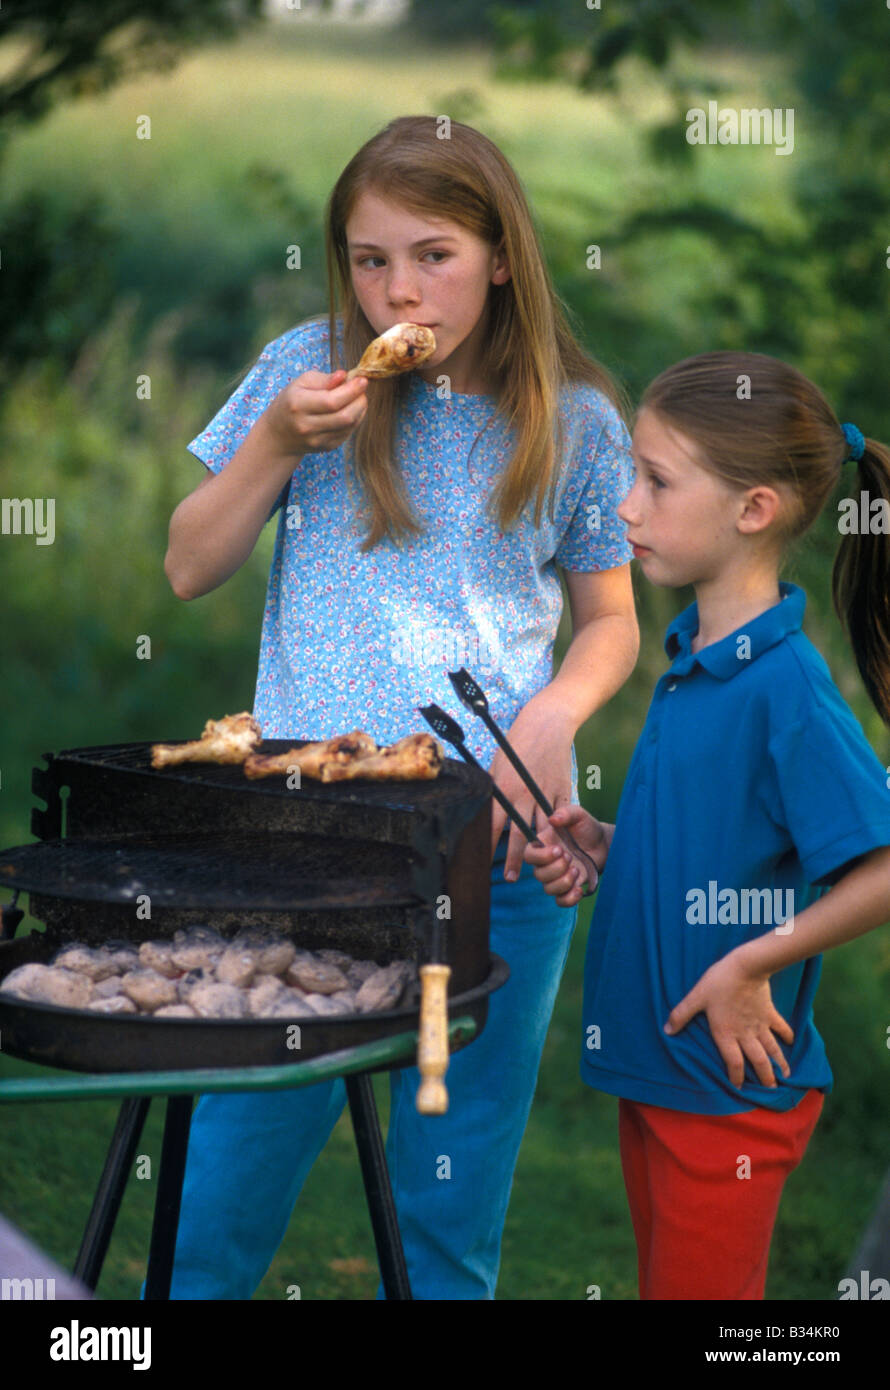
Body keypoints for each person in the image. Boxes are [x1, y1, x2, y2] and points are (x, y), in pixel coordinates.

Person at [160, 115, 640, 1299]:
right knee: (229, 1169)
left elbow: (612, 620)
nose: (396, 291)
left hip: (498, 843)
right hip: (305, 830)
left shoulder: (575, 421)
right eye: (369, 259)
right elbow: (186, 565)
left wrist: (549, 718)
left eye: (430, 255)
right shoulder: (301, 375)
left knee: (446, 1192)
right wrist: (274, 443)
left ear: (499, 258)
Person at [525, 350, 890, 1300]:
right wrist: (614, 846)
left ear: (754, 509)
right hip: (661, 1071)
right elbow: (722, 838)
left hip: (728, 1094)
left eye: (654, 481)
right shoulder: (693, 658)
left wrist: (752, 961)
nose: (625, 508)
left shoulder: (788, 690)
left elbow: (882, 870)